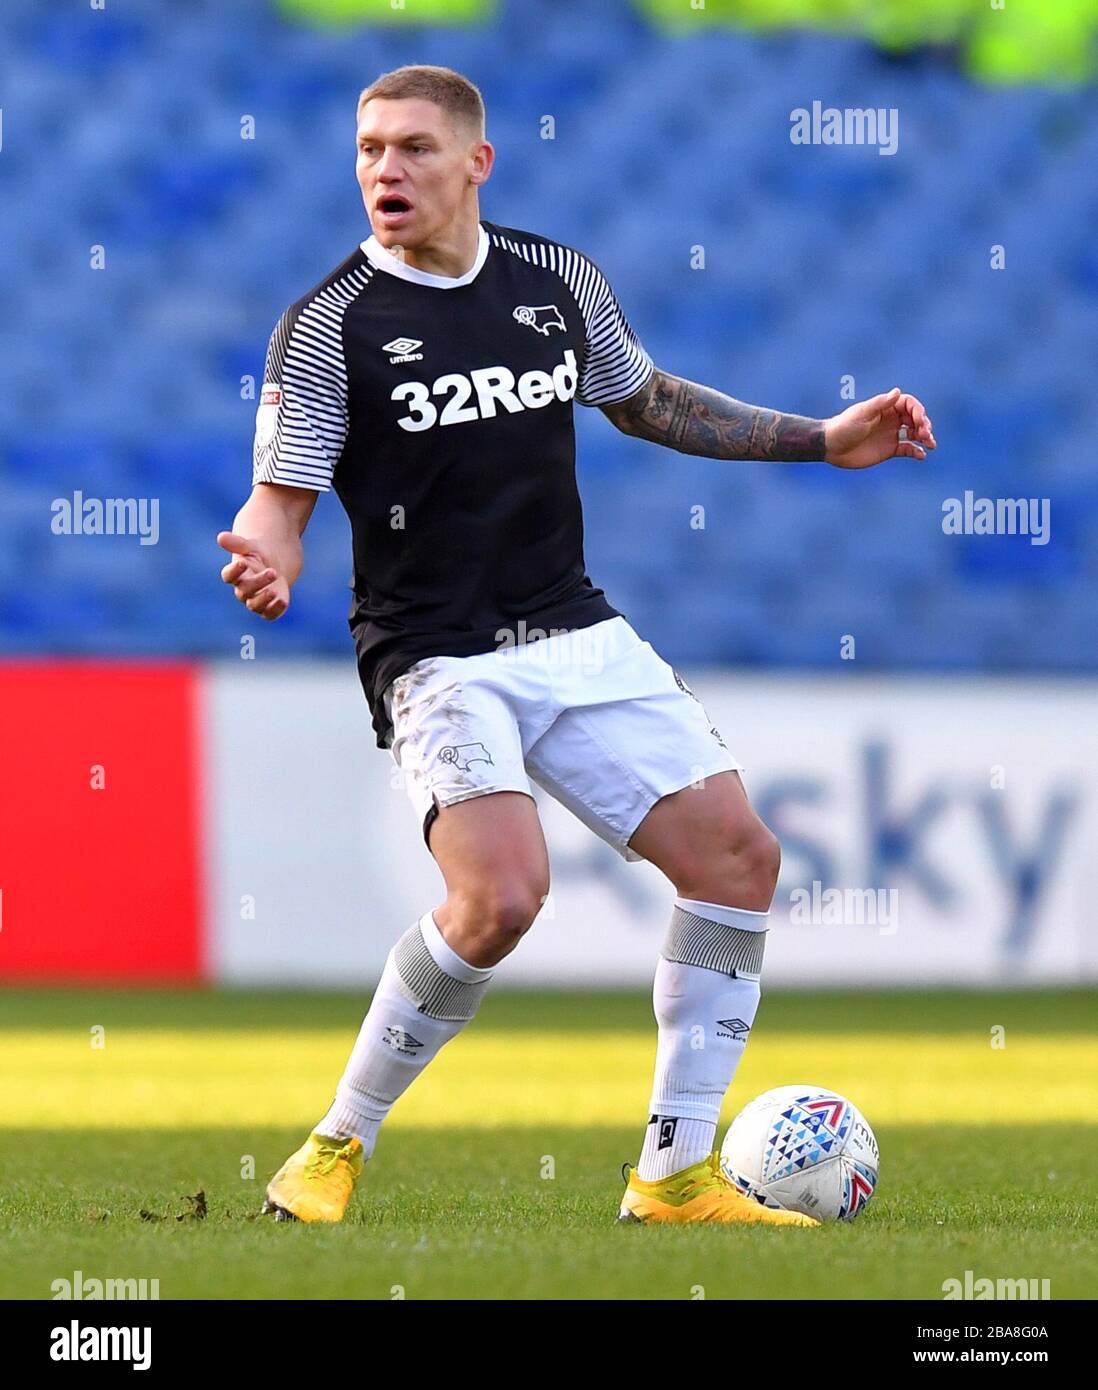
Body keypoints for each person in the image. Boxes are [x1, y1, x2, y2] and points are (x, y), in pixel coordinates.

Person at [218, 64, 935, 1226]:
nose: (383, 171)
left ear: (475, 163)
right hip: (435, 650)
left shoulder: (556, 281)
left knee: (737, 859)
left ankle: (673, 1174)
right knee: (501, 898)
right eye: (367, 150)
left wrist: (819, 436)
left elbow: (649, 400)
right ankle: (335, 1144)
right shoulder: (331, 324)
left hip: (572, 627)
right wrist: (269, 552)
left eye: (410, 148)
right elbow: (277, 502)